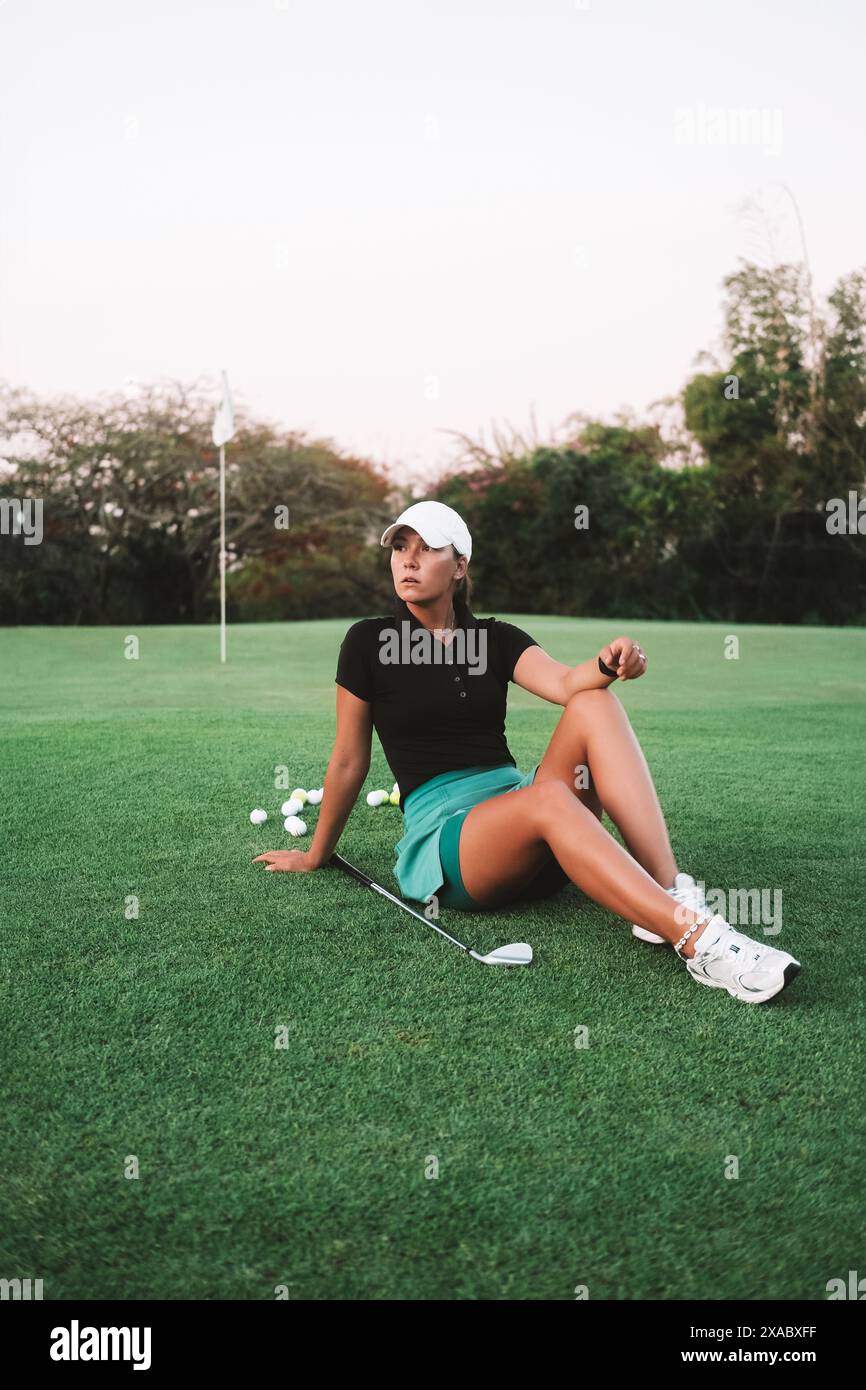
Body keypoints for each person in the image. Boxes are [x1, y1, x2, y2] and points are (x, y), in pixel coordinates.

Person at [253, 500, 801, 1005]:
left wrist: (610, 664)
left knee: (594, 705)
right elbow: (350, 760)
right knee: (551, 799)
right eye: (400, 548)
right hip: (452, 844)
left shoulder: (494, 638)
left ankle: (666, 890)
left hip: (525, 818)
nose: (408, 561)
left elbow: (568, 683)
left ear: (460, 565)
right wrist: (316, 854)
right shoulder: (368, 642)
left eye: (426, 549)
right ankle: (698, 939)